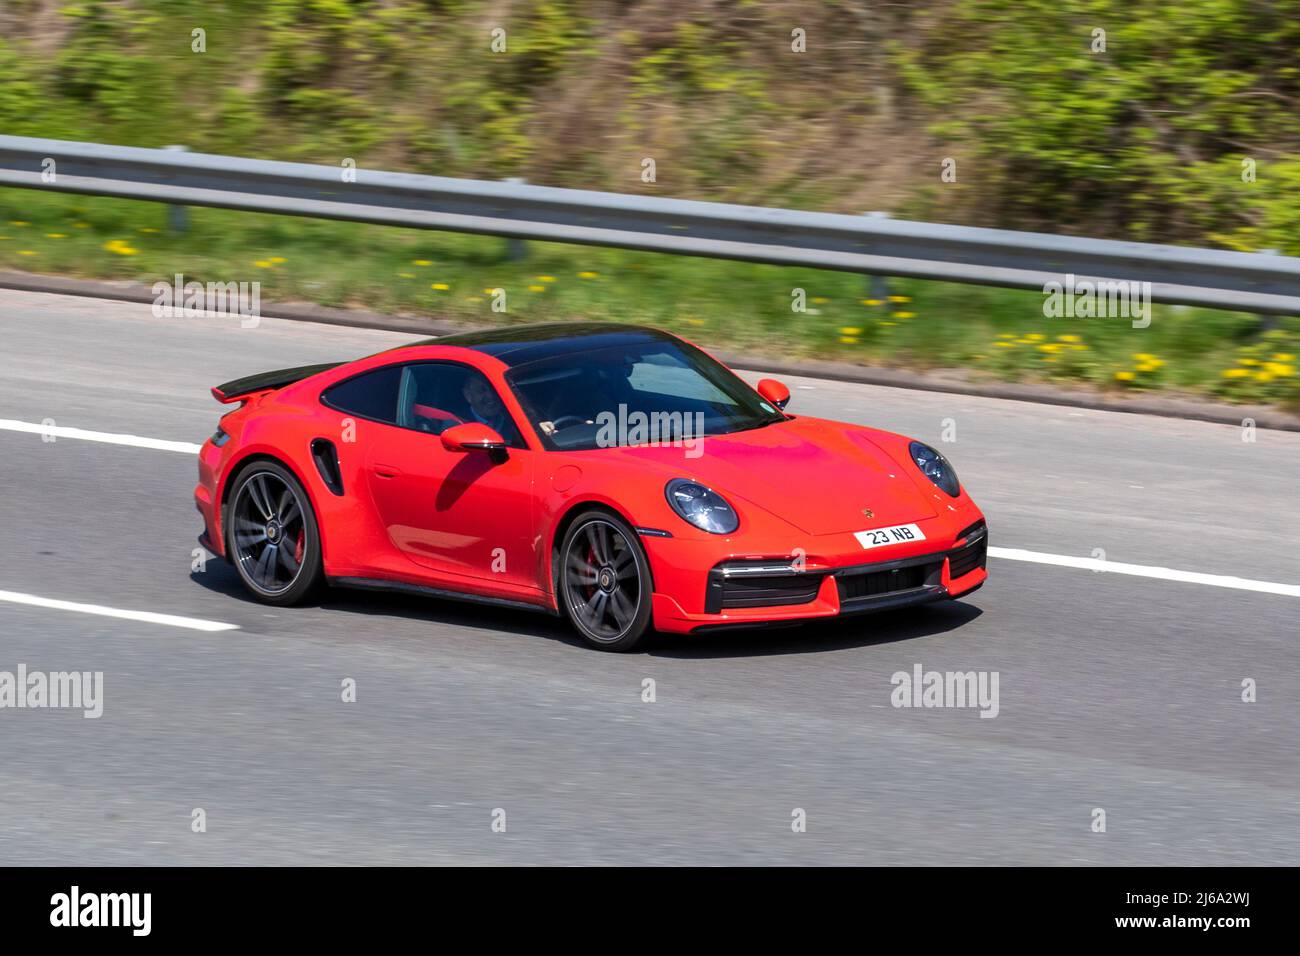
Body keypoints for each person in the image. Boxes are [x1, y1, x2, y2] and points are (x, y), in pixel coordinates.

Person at [461, 374, 514, 439]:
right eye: (481, 390)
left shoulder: (514, 419)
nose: (491, 396)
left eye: (494, 388)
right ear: (468, 395)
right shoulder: (458, 424)